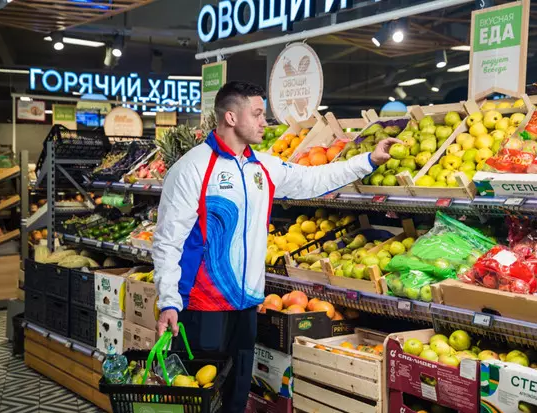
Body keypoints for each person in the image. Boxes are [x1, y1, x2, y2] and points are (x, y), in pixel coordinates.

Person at [152, 81, 399, 412]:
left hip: (248, 305)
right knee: (198, 396)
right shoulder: (193, 169)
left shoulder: (263, 167)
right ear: (230, 117)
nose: (263, 123)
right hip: (202, 305)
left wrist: (368, 160)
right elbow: (167, 240)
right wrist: (169, 300)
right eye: (256, 114)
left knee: (236, 395)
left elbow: (315, 179)